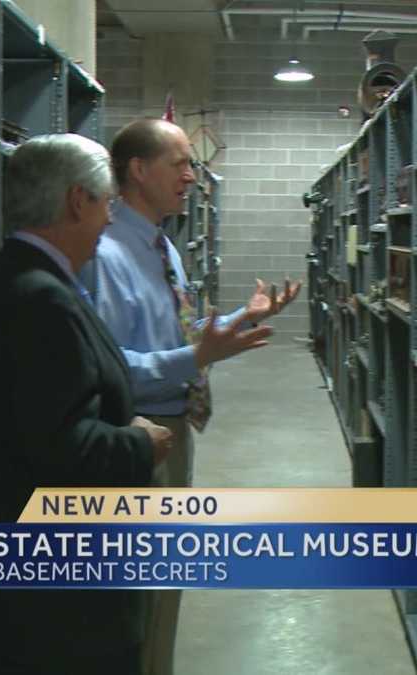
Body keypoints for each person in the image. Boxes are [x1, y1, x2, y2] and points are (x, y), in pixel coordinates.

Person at [80, 117, 301, 675]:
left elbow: (175, 333)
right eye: (179, 163)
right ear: (137, 170)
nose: (192, 176)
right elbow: (108, 371)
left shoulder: (161, 246)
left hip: (174, 429)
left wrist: (236, 321)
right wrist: (200, 357)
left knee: (164, 591)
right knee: (143, 599)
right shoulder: (106, 255)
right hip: (142, 436)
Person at [0, 133, 173, 675]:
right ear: (79, 201)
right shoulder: (41, 299)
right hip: (58, 609)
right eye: (105, 203)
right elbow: (62, 447)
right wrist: (140, 443)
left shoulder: (22, 278)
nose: (107, 220)